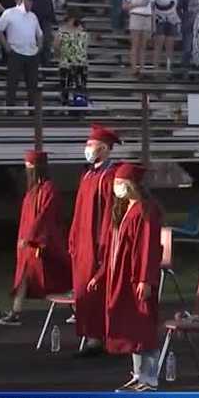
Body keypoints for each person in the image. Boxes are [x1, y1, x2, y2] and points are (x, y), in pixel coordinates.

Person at [93, 162, 162, 391]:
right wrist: (101, 275)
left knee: (144, 326)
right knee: (132, 326)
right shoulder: (124, 209)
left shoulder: (146, 210)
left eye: (120, 183)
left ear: (132, 185)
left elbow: (148, 248)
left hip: (137, 278)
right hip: (122, 277)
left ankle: (150, 378)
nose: (117, 187)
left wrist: (146, 279)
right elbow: (114, 249)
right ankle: (138, 375)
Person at [0, 150, 72, 326]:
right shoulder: (32, 192)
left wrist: (31, 236)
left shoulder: (49, 189)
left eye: (30, 166)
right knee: (24, 277)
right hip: (29, 245)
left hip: (45, 243)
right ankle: (15, 312)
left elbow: (44, 216)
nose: (28, 170)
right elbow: (26, 219)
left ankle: (77, 309)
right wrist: (22, 239)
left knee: (60, 277)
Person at [69, 124, 122, 355]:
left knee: (97, 290)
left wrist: (104, 242)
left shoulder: (110, 176)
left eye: (91, 145)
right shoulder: (89, 174)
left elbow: (111, 213)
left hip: (99, 242)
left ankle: (103, 339)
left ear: (104, 149)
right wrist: (73, 236)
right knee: (84, 291)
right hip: (82, 242)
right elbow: (78, 210)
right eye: (87, 145)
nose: (87, 149)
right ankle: (91, 336)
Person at [0, 0, 43, 106]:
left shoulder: (33, 16)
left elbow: (39, 33)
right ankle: (10, 111)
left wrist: (39, 45)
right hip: (16, 52)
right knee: (12, 84)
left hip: (31, 53)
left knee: (32, 84)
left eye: (32, 0)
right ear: (20, 0)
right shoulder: (9, 13)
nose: (31, 2)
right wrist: (6, 45)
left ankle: (33, 112)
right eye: (29, 0)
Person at [122, 0, 154, 76]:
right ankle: (133, 67)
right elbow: (125, 6)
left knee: (143, 45)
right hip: (136, 15)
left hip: (147, 16)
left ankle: (142, 67)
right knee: (135, 44)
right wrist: (138, 4)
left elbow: (152, 6)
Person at [55, 13, 90, 106]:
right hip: (77, 63)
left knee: (68, 87)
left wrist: (59, 55)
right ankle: (77, 105)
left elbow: (56, 45)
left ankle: (68, 105)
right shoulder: (83, 31)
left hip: (70, 63)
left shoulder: (63, 31)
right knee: (78, 87)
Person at [152, 0, 180, 74]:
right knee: (159, 45)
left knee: (169, 46)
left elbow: (175, 5)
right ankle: (156, 68)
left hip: (171, 20)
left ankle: (169, 68)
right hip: (159, 20)